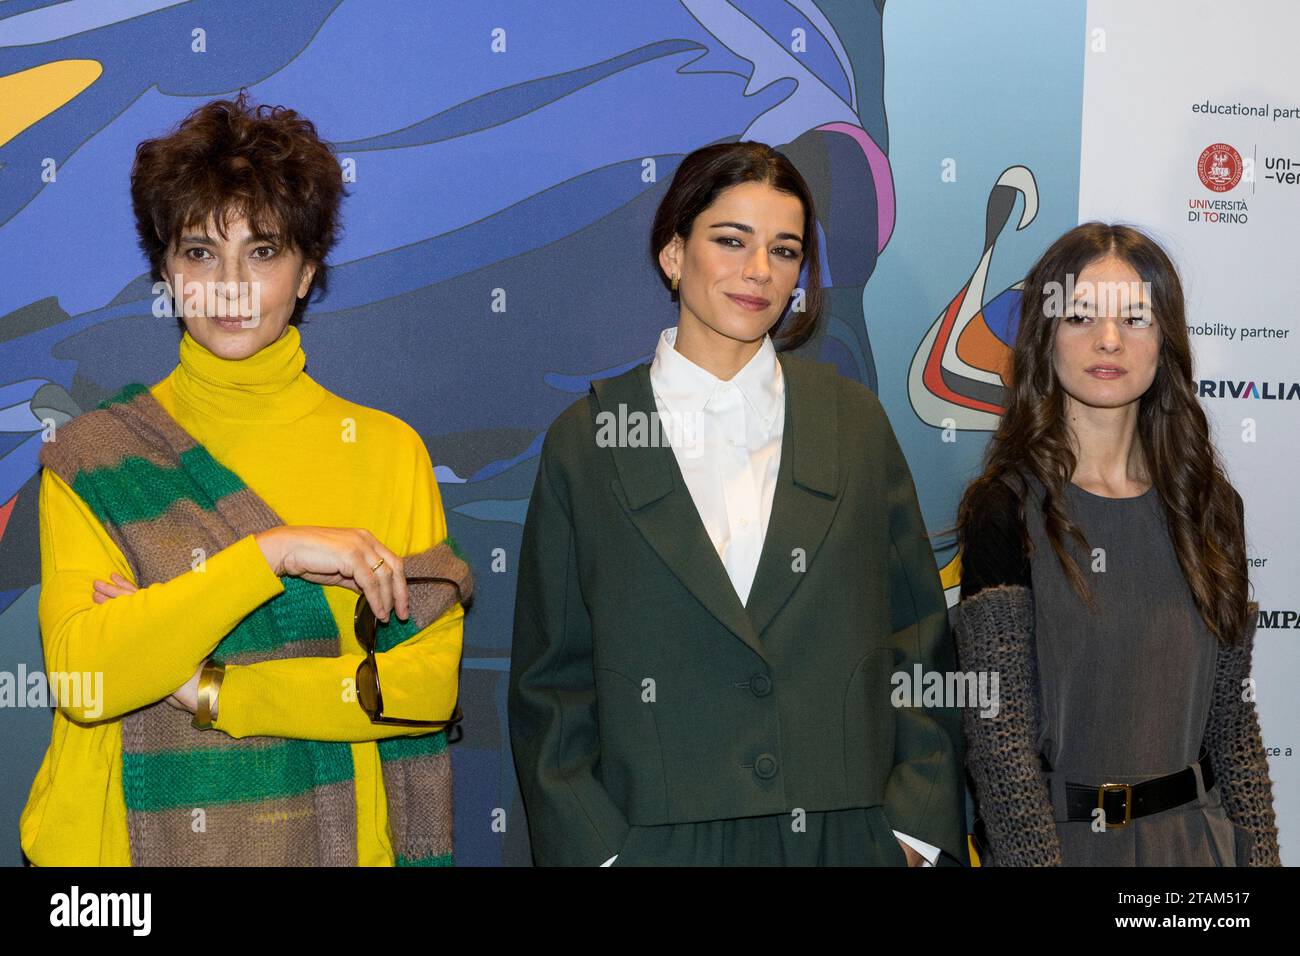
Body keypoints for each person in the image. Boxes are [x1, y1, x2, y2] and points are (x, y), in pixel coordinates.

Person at [21, 92, 470, 866]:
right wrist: (269, 556)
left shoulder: (387, 451)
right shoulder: (96, 457)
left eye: (262, 252)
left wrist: (215, 690)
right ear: (167, 270)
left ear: (306, 273)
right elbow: (87, 677)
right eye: (200, 252)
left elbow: (423, 691)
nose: (230, 284)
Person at [507, 141, 966, 866]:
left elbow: (919, 639)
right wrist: (599, 854)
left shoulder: (853, 423)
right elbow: (550, 682)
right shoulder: (590, 437)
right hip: (659, 838)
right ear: (672, 252)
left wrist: (911, 830)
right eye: (731, 240)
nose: (759, 271)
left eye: (784, 251)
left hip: (844, 836)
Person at [954, 222, 1280, 866]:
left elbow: (1233, 730)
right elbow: (1000, 745)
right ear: (1045, 338)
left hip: (1198, 854)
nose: (1109, 339)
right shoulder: (1005, 509)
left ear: (1166, 339)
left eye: (1135, 317)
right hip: (1063, 849)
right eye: (1080, 316)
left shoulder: (1211, 509)